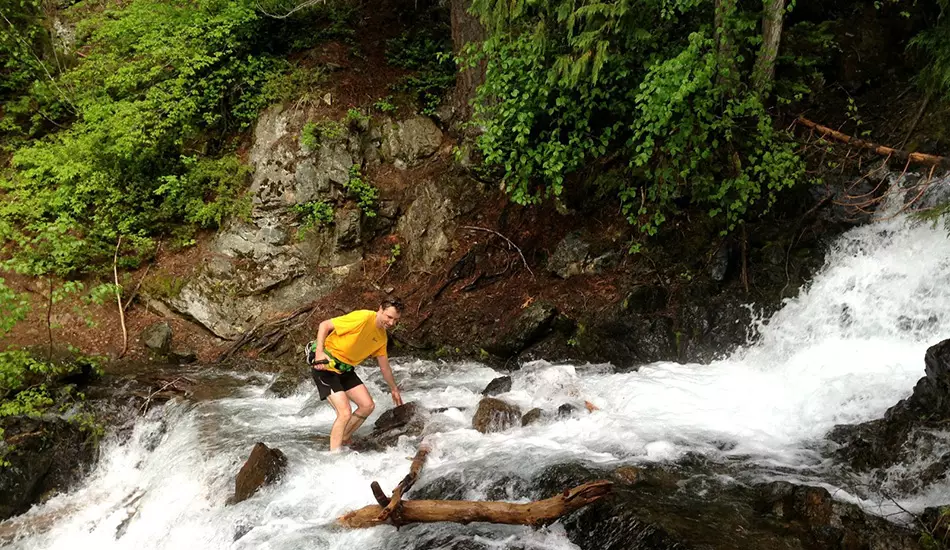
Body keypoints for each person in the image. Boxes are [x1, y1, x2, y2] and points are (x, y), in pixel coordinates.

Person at [308, 299, 404, 451]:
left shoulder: (382, 338)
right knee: (344, 412)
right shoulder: (363, 317)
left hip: (345, 369)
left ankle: (344, 436)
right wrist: (319, 352)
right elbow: (324, 325)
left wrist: (394, 389)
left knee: (367, 405)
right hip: (325, 366)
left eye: (395, 320)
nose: (391, 323)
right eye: (389, 317)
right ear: (380, 309)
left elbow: (384, 367)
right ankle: (334, 457)